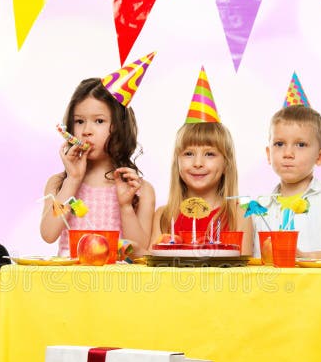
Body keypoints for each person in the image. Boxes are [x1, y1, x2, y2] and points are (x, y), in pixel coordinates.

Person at [40, 53, 156, 256]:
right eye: (79, 121)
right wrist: (73, 181)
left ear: (119, 127)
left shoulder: (139, 190)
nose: (87, 130)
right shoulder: (58, 184)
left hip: (116, 284)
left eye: (99, 121)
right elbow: (49, 233)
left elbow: (138, 250)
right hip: (70, 283)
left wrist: (126, 205)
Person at [252, 74, 321, 259]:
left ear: (320, 156)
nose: (288, 153)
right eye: (279, 144)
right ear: (268, 154)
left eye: (301, 144)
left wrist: (306, 257)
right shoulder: (260, 208)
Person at [150, 67, 252, 253]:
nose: (197, 163)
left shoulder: (239, 214)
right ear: (177, 163)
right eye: (188, 154)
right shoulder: (163, 216)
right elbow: (154, 268)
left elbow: (244, 270)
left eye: (210, 154)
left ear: (226, 165)